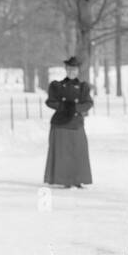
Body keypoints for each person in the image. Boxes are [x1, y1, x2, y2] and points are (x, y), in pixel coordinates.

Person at [43, 56, 93, 188]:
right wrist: (63, 107)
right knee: (62, 154)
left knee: (78, 152)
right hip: (60, 124)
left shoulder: (83, 87)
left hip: (76, 124)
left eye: (74, 69)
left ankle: (77, 180)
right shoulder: (57, 86)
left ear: (78, 71)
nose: (72, 72)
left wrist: (75, 108)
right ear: (66, 69)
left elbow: (88, 103)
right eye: (70, 69)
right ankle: (63, 179)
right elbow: (50, 101)